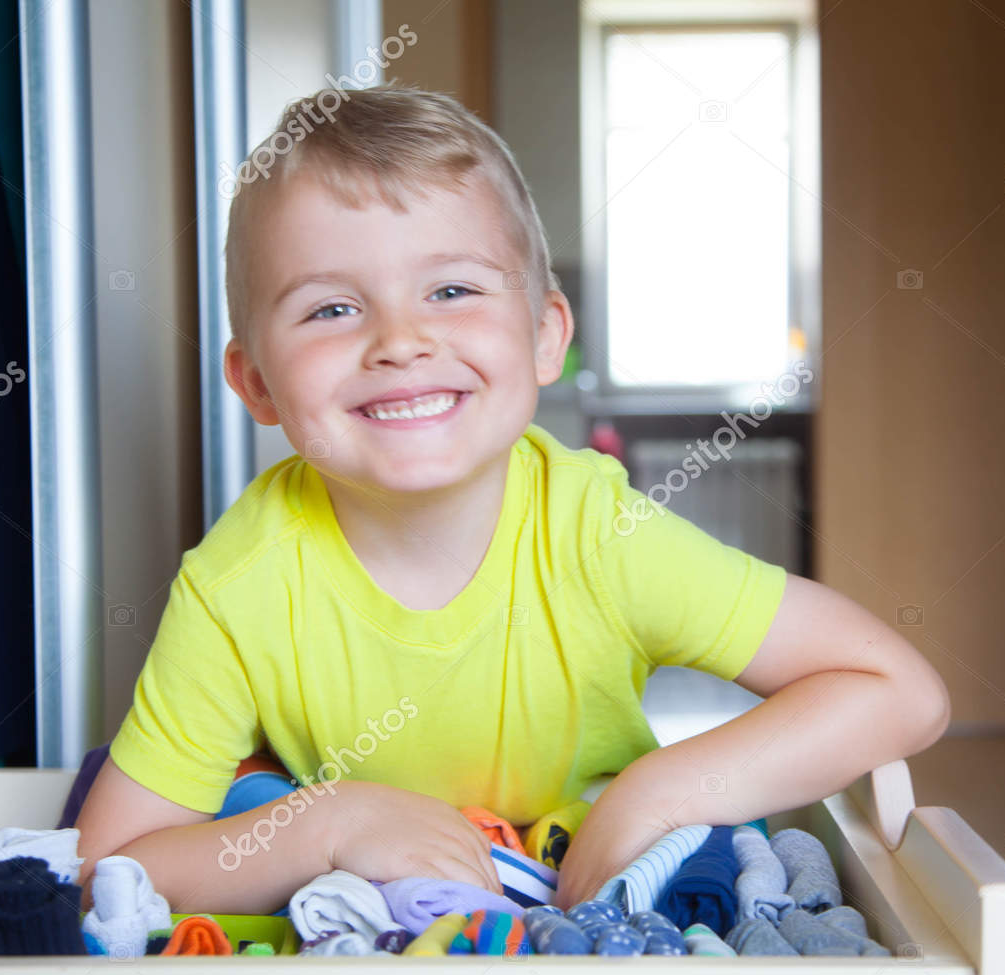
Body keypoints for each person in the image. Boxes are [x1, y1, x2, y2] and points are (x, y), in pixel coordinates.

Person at [73, 82, 949, 915]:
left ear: (543, 338)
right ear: (257, 383)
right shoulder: (237, 584)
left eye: (451, 291)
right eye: (332, 309)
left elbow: (899, 690)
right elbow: (104, 868)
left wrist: (663, 790)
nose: (401, 341)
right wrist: (327, 825)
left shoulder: (599, 534)